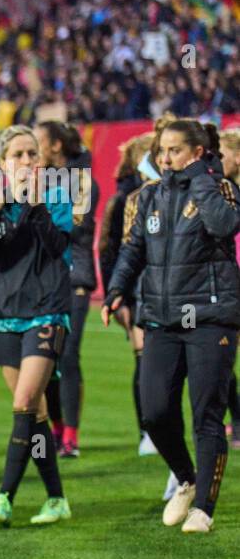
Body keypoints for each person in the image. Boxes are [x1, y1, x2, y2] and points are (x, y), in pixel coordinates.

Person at [104, 120, 240, 535]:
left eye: (175, 151)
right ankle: (185, 477)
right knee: (155, 411)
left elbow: (223, 226)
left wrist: (200, 178)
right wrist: (117, 289)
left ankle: (204, 508)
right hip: (161, 319)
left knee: (207, 416)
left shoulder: (222, 190)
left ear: (197, 154)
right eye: (161, 150)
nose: (164, 158)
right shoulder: (148, 197)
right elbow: (133, 249)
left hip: (210, 317)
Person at [0, 126, 74, 528]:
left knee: (23, 403)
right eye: (18, 155)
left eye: (33, 154)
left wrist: (33, 204)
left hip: (47, 310)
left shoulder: (56, 193)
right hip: (6, 314)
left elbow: (57, 246)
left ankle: (4, 497)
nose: (28, 161)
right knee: (35, 415)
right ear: (3, 162)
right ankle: (56, 498)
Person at [36, 121, 100, 458]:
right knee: (45, 356)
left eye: (40, 141)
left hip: (74, 274)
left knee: (68, 353)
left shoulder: (83, 181)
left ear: (57, 145)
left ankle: (70, 436)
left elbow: (77, 227)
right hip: (42, 276)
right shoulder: (38, 178)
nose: (36, 147)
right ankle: (58, 428)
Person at [97, 131, 159, 456]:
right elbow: (110, 251)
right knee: (145, 361)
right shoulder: (125, 200)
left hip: (163, 290)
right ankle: (147, 431)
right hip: (136, 293)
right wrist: (116, 294)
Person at [218, 128, 240, 450]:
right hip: (229, 283)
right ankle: (237, 420)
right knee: (221, 357)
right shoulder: (223, 192)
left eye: (220, 154)